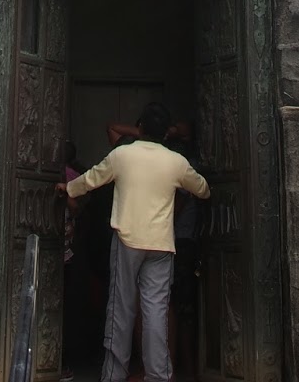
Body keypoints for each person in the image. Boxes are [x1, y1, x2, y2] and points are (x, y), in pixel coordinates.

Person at [58, 102, 209, 382]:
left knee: (121, 308)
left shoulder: (122, 155)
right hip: (161, 244)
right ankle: (158, 375)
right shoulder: (176, 161)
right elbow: (202, 189)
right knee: (156, 311)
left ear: (140, 128)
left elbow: (91, 179)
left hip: (127, 240)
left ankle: (114, 375)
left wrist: (68, 187)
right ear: (166, 133)